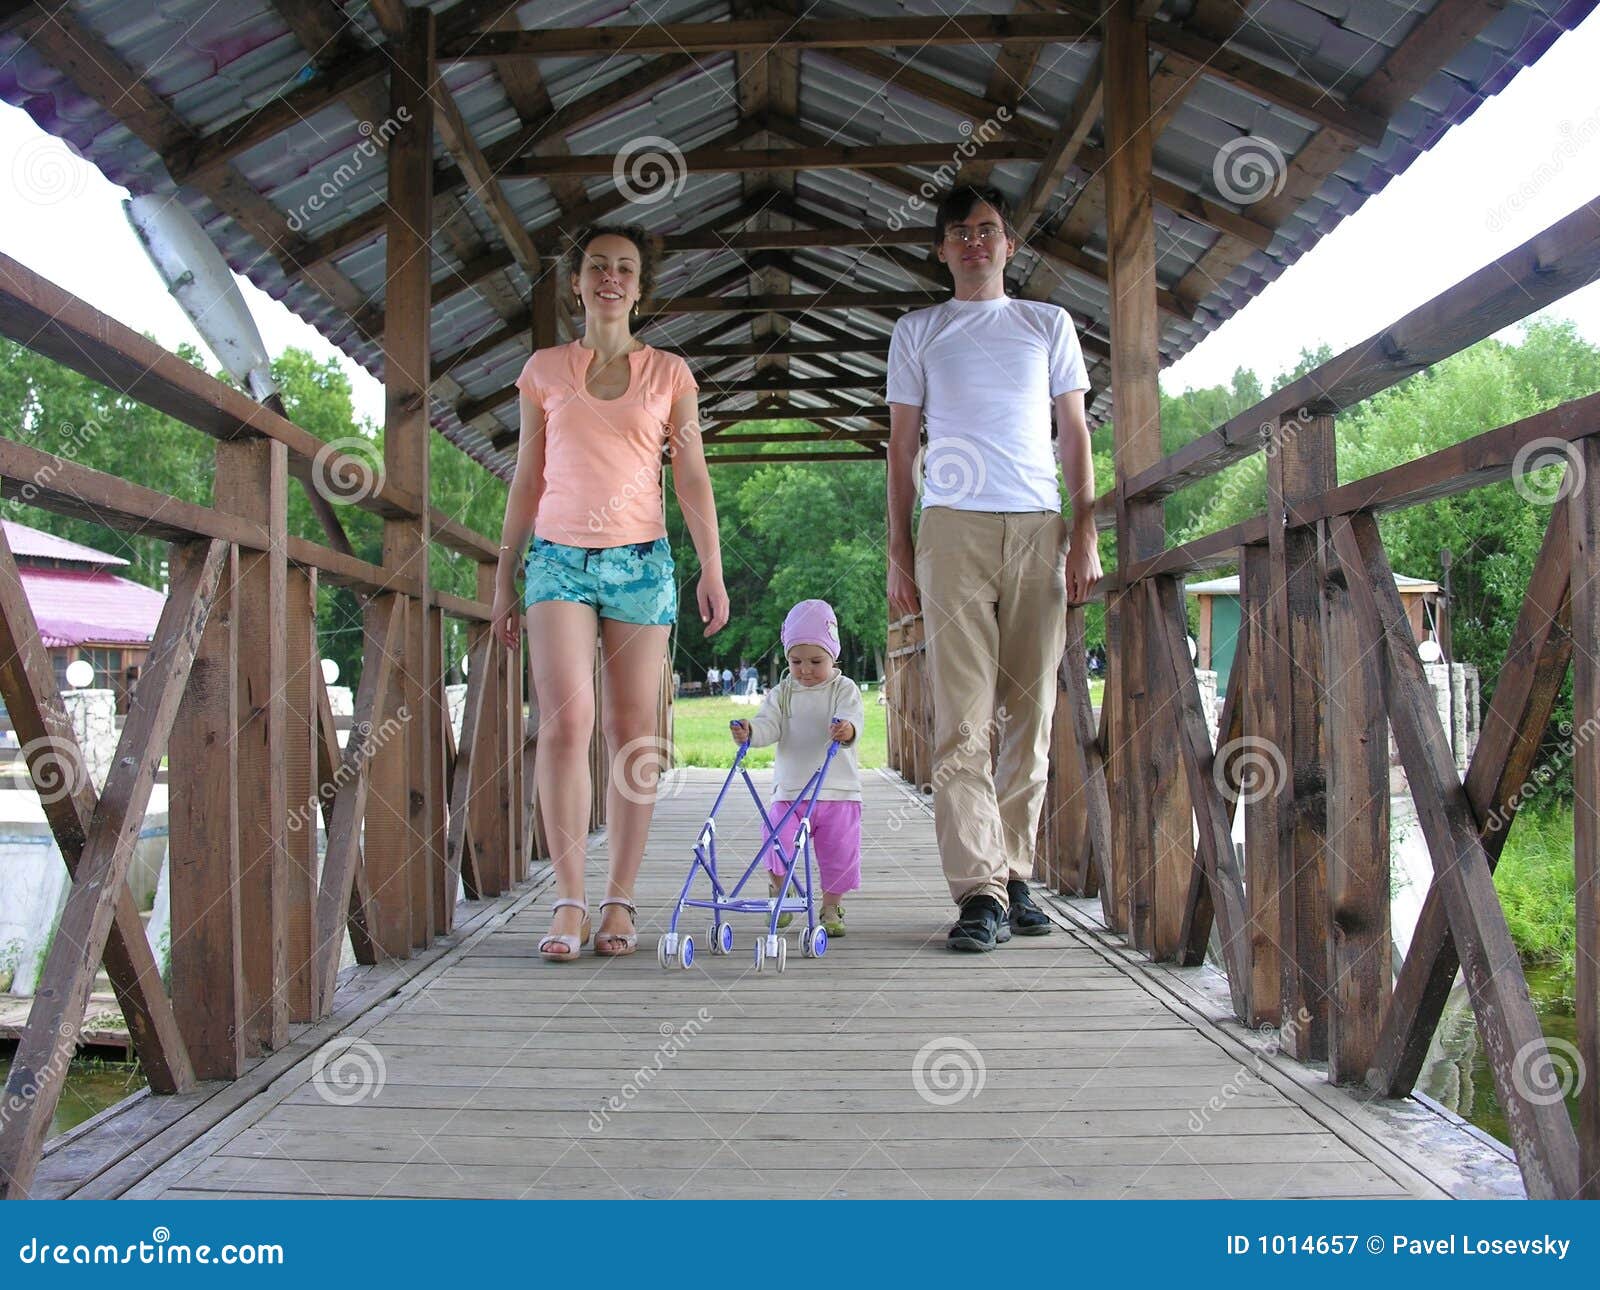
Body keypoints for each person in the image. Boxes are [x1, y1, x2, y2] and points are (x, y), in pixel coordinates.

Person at [490, 223, 729, 962]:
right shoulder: (546, 370)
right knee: (566, 724)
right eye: (598, 266)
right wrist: (505, 578)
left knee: (632, 734)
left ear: (639, 285)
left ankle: (619, 902)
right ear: (577, 281)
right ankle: (568, 900)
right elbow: (527, 478)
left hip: (642, 561)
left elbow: (689, 475)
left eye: (625, 268)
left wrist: (711, 566)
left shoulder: (669, 374)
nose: (611, 278)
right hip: (559, 562)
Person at [886, 185, 1102, 953]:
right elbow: (902, 447)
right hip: (952, 530)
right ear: (942, 249)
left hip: (1039, 524)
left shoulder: (1048, 324)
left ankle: (1013, 872)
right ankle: (978, 890)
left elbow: (1073, 434)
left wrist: (1086, 532)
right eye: (960, 233)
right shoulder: (919, 330)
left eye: (988, 231)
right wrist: (900, 551)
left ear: (1010, 244)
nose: (975, 243)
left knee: (1030, 713)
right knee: (962, 721)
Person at [730, 600, 863, 939]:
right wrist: (751, 731)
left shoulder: (842, 688)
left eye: (816, 661)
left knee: (838, 853)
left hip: (838, 790)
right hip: (791, 791)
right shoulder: (783, 692)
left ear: (833, 655)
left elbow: (852, 719)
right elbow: (768, 725)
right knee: (775, 837)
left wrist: (845, 730)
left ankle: (831, 905)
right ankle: (781, 888)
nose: (805, 669)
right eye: (795, 661)